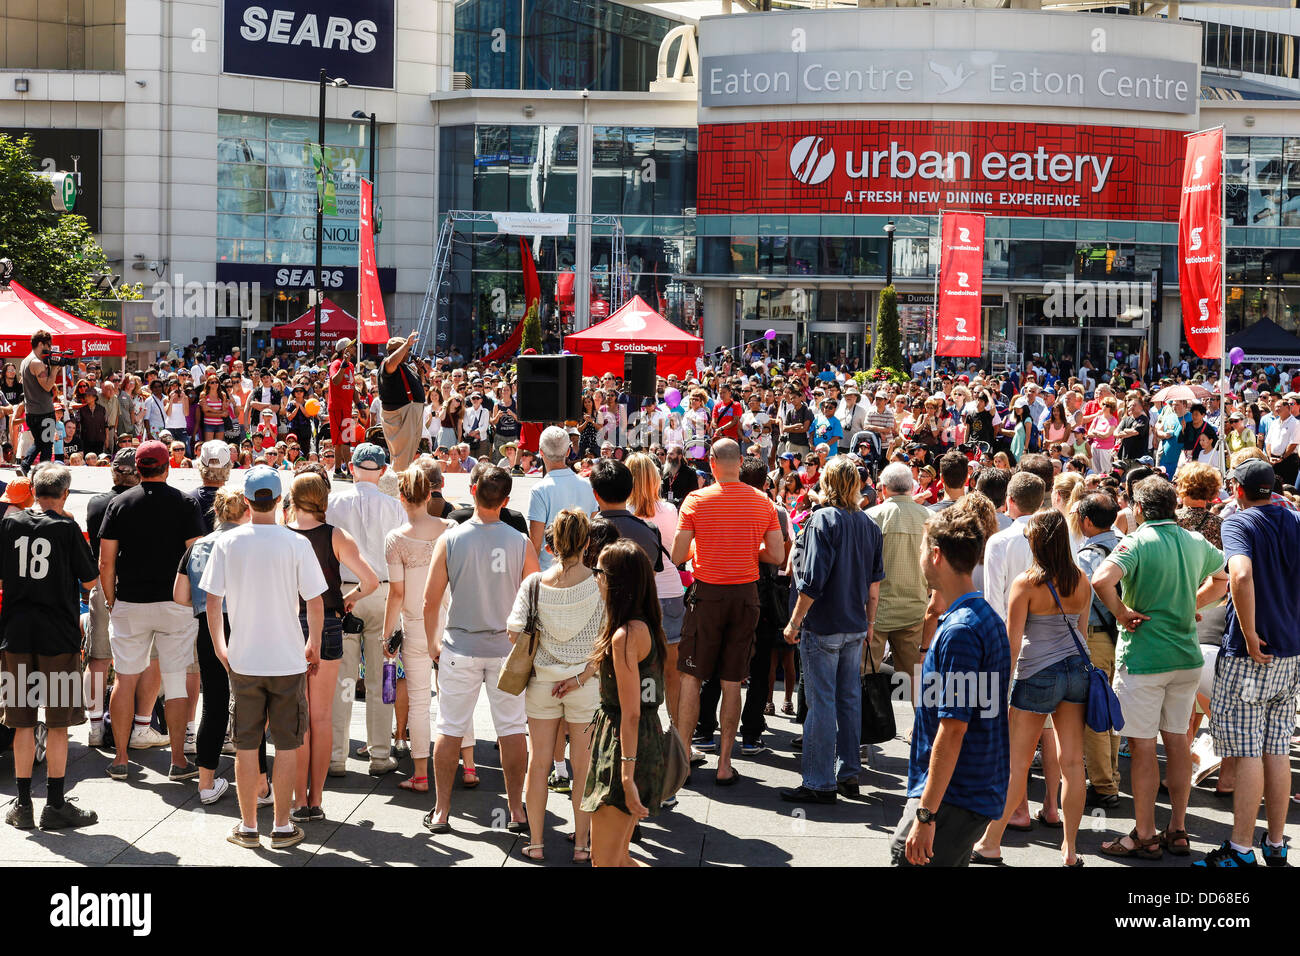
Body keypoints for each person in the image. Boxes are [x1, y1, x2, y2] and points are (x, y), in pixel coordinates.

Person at [1092, 476, 1227, 860]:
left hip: (1145, 659)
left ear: (1138, 508)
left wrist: (1122, 613)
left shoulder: (1136, 541)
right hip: (1185, 657)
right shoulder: (1194, 540)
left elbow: (1101, 580)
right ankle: (1178, 828)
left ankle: (1146, 833)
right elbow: (1223, 580)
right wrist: (1191, 603)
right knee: (1178, 742)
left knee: (1144, 746)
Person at [200, 466, 327, 850]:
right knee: (287, 744)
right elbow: (315, 601)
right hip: (287, 658)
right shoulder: (296, 543)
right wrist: (314, 643)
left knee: (245, 744)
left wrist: (221, 647)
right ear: (278, 500)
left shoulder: (228, 542)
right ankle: (283, 826)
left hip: (244, 658)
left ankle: (249, 826)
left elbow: (212, 602)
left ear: (246, 501)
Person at [421, 465, 538, 834]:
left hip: (460, 645)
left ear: (472, 491)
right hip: (506, 648)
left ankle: (441, 811)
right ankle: (517, 811)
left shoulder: (451, 539)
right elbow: (533, 600)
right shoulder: (520, 542)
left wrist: (431, 643)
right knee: (512, 730)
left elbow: (430, 600)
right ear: (506, 501)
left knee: (450, 728)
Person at [971, 510, 1091, 867]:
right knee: (1072, 763)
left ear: (1037, 543)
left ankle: (991, 842)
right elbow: (1081, 635)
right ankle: (1069, 849)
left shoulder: (1025, 584)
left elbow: (1011, 644)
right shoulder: (1081, 580)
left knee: (1017, 764)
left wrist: (998, 688)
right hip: (1076, 673)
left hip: (1036, 673)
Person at [1196, 459, 1300, 867]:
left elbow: (1239, 575)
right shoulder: (1293, 518)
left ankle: (1240, 849)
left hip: (1252, 652)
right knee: (1276, 749)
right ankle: (1275, 842)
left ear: (1238, 488)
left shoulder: (1240, 522)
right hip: (1289, 650)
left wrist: (1251, 631)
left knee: (1249, 751)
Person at [892, 508, 1009, 867]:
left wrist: (926, 814)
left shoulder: (961, 631)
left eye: (924, 549)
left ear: (937, 555)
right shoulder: (982, 617)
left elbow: (954, 728)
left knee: (904, 856)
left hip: (954, 794)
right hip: (966, 790)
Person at [671, 438, 785, 786]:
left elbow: (677, 555)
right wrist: (749, 547)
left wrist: (703, 545)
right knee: (732, 679)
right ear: (740, 462)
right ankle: (724, 764)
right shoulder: (762, 501)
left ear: (713, 463)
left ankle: (685, 758)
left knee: (691, 676)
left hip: (706, 594)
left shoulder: (696, 499)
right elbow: (777, 556)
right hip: (745, 595)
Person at [98, 440, 205, 781]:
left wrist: (111, 599)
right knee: (174, 681)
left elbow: (106, 561)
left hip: (130, 601)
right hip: (174, 603)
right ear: (167, 467)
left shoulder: (119, 503)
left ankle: (120, 758)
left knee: (125, 680)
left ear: (139, 469)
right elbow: (196, 557)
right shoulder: (185, 504)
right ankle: (177, 760)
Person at [0, 464, 100, 830]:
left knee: (22, 722)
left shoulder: (9, 524)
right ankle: (55, 804)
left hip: (16, 635)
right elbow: (90, 580)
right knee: (58, 724)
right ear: (65, 494)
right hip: (58, 638)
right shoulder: (66, 528)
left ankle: (23, 803)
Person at [778, 457, 883, 804]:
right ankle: (848, 772)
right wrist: (869, 623)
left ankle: (820, 781)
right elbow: (873, 586)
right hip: (854, 624)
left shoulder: (823, 519)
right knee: (848, 699)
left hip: (825, 625)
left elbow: (812, 581)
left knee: (823, 703)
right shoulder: (867, 524)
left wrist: (794, 621)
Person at [509, 508, 604, 862]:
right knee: (583, 766)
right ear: (587, 543)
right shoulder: (600, 584)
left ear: (552, 545)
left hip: (542, 684)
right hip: (584, 684)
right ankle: (582, 845)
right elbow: (607, 642)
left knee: (539, 764)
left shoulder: (534, 584)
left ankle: (535, 843)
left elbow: (513, 632)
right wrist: (579, 674)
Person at [287, 472, 380, 821]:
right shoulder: (336, 536)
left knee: (298, 718)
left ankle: (297, 799)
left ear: (293, 499)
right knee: (321, 716)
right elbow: (370, 581)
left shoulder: (283, 536)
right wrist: (347, 600)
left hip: (290, 625)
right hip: (327, 622)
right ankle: (316, 799)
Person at [173, 486, 268, 807]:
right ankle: (261, 785)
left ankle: (206, 783)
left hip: (207, 628)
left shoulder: (198, 546)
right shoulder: (248, 542)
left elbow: (180, 595)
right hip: (245, 623)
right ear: (246, 511)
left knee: (213, 704)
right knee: (254, 703)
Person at [580, 540, 669, 867]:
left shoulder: (625, 635)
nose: (596, 578)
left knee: (604, 862)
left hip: (624, 745)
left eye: (599, 572)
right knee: (617, 860)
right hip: (638, 741)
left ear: (617, 581)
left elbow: (630, 713)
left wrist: (627, 777)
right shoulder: (643, 625)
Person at [326, 443, 405, 777]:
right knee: (380, 676)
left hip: (347, 591)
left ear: (353, 469)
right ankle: (380, 753)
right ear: (383, 471)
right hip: (384, 592)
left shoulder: (334, 502)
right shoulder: (395, 507)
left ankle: (336, 756)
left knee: (343, 679)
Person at [381, 466, 454, 796]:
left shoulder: (396, 538)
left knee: (421, 701)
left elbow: (396, 592)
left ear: (401, 497)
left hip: (413, 624)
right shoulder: (450, 529)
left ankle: (422, 773)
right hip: (449, 619)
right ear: (430, 494)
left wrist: (386, 635)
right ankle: (464, 767)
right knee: (453, 698)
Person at [626, 452, 686, 725]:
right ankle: (676, 733)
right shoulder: (669, 511)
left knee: (634, 667)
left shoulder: (622, 514)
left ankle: (638, 732)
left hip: (636, 594)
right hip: (670, 591)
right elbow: (675, 553)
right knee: (672, 670)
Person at [1072, 492, 1122, 810]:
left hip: (1095, 638)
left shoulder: (1087, 555)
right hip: (1125, 637)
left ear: (1087, 522)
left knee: (1094, 713)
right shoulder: (1127, 546)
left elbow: (1082, 600)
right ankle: (1111, 776)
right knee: (1113, 709)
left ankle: (1104, 785)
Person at [866, 463, 932, 703]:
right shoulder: (929, 518)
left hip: (876, 611)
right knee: (918, 678)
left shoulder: (872, 517)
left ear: (883, 489)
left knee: (865, 677)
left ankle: (863, 733)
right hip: (915, 610)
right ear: (911, 487)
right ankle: (924, 734)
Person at [527, 425, 598, 571]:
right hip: (581, 572)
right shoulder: (588, 487)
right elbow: (592, 535)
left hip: (549, 573)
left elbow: (534, 544)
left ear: (541, 452)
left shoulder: (539, 491)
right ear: (568, 451)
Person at [378, 332, 425, 472]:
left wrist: (421, 371)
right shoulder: (388, 364)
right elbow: (390, 363)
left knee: (409, 454)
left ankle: (403, 484)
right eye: (407, 350)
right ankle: (399, 487)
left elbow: (417, 385)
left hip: (411, 412)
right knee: (402, 455)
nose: (409, 353)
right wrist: (406, 345)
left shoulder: (405, 366)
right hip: (402, 413)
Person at [19, 330, 58, 474]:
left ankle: (25, 465)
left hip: (32, 412)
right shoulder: (36, 362)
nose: (50, 348)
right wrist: (54, 370)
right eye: (49, 345)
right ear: (41, 344)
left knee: (40, 443)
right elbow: (47, 386)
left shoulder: (25, 361)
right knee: (47, 446)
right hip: (44, 412)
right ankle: (43, 474)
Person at [328, 338, 357, 481]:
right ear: (344, 350)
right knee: (344, 440)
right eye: (352, 346)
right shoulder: (337, 363)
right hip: (337, 407)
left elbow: (352, 386)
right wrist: (343, 365)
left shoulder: (351, 365)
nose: (355, 348)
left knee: (342, 441)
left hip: (346, 407)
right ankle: (349, 472)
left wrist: (359, 404)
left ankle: (338, 471)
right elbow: (335, 381)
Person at [1262, 391, 1300, 488]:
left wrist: (1282, 458)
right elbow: (1268, 441)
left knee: (1287, 488)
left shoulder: (1295, 423)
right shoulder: (1274, 423)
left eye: (1279, 407)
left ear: (1287, 408)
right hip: (1274, 461)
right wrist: (1270, 457)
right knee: (1274, 488)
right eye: (1276, 407)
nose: (1276, 409)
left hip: (1288, 462)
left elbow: (1293, 444)